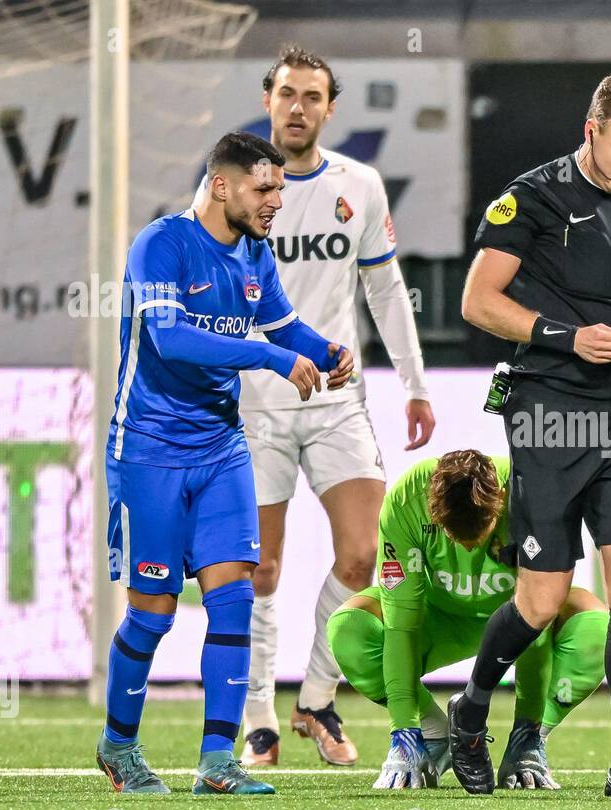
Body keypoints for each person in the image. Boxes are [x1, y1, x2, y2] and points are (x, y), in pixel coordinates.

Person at [447, 74, 611, 797]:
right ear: (591, 130)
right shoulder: (533, 196)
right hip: (549, 412)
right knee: (542, 600)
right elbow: (477, 301)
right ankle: (470, 708)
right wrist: (564, 336)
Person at [97, 131, 353, 796]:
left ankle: (217, 760)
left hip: (220, 448)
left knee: (234, 602)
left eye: (280, 190)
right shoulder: (163, 244)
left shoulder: (255, 254)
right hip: (148, 449)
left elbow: (283, 327)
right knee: (152, 613)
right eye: (263, 189)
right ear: (222, 185)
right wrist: (273, 361)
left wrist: (325, 349)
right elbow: (170, 338)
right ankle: (119, 747)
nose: (276, 201)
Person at [220, 47, 436, 767]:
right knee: (261, 569)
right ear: (269, 98)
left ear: (329, 108)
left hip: (338, 399)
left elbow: (383, 289)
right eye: (287, 94)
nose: (298, 107)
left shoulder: (360, 185)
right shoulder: (232, 187)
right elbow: (211, 286)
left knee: (365, 551)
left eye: (312, 96)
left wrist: (415, 383)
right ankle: (258, 719)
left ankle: (315, 697)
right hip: (256, 402)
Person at [325, 450, 609, 789]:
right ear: (432, 509)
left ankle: (530, 743)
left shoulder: (534, 496)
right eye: (450, 533)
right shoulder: (405, 502)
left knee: (599, 628)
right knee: (348, 629)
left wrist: (528, 728)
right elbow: (402, 624)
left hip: (520, 619)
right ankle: (433, 734)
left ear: (500, 502)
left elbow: (539, 617)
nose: (468, 546)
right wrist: (404, 731)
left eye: (483, 533)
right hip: (440, 619)